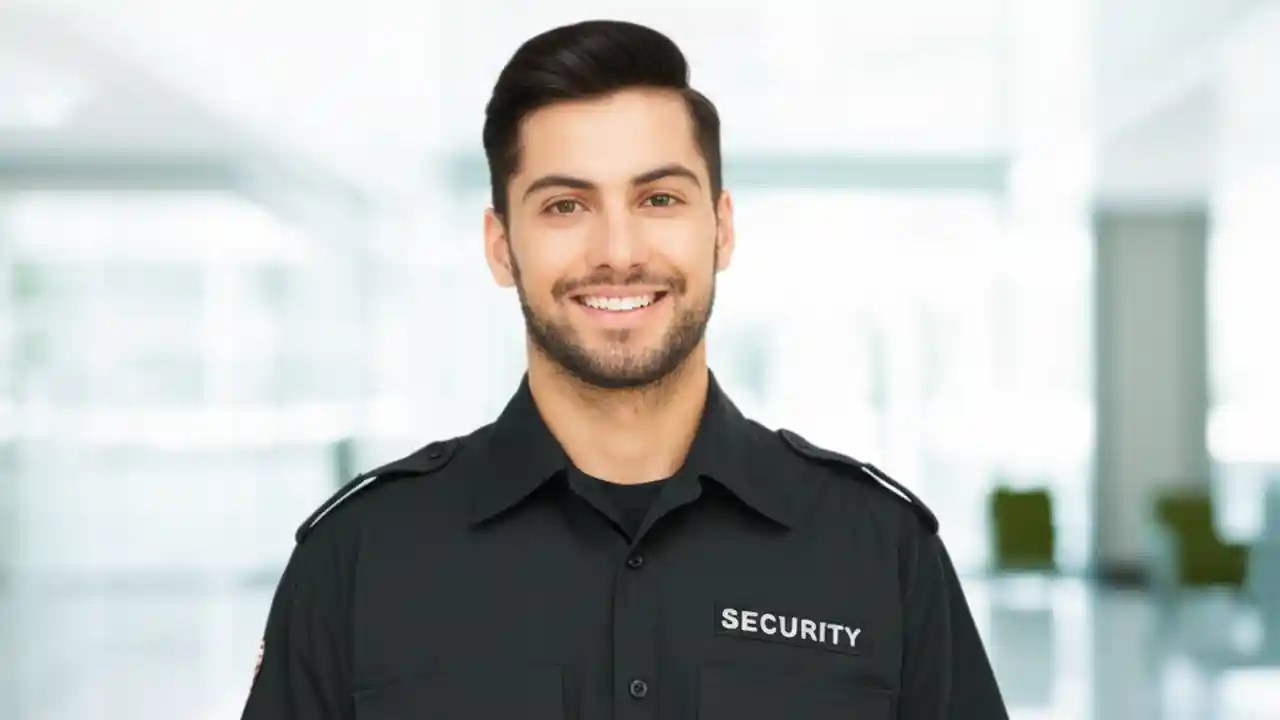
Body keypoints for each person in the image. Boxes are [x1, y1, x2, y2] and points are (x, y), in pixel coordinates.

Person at [241, 18, 1007, 719]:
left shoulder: (878, 550)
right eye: (565, 206)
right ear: (501, 245)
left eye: (660, 198)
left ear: (723, 229)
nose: (617, 250)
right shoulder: (361, 561)